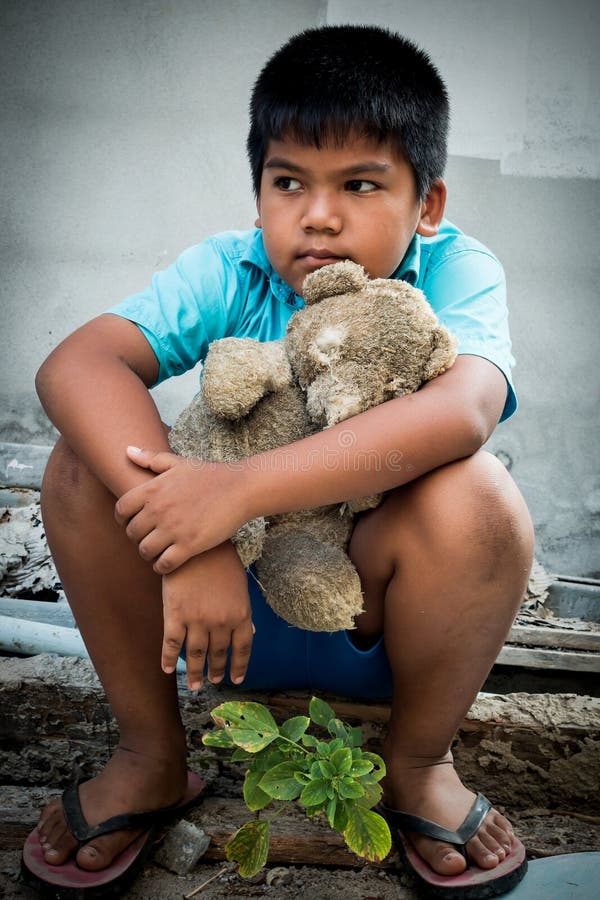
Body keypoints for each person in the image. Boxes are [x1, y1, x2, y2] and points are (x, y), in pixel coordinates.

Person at [23, 24, 533, 899]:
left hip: (372, 615)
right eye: (288, 181)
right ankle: (150, 754)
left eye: (360, 185)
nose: (318, 215)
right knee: (78, 468)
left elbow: (465, 411)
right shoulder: (231, 268)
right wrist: (195, 545)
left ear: (428, 203)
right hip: (211, 625)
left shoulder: (455, 270)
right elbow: (76, 365)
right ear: (258, 189)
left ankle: (418, 762)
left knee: (480, 497)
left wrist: (230, 496)